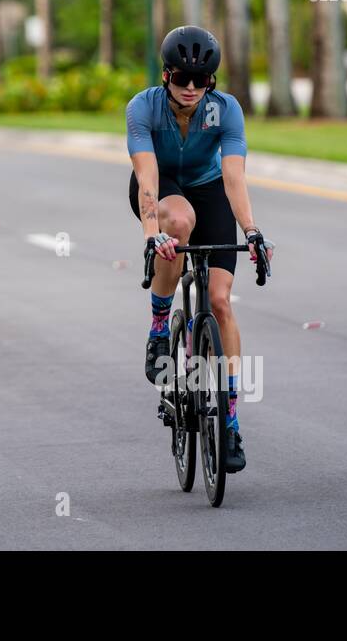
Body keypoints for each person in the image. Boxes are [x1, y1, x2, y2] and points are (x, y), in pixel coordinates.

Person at [126, 25, 274, 473]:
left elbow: (234, 178)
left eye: (201, 80)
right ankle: (158, 327)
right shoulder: (143, 108)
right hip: (164, 189)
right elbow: (147, 178)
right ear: (166, 74)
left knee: (220, 302)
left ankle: (229, 423)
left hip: (210, 189)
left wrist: (251, 230)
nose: (191, 88)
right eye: (181, 79)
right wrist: (154, 234)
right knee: (181, 221)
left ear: (212, 80)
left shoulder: (227, 110)